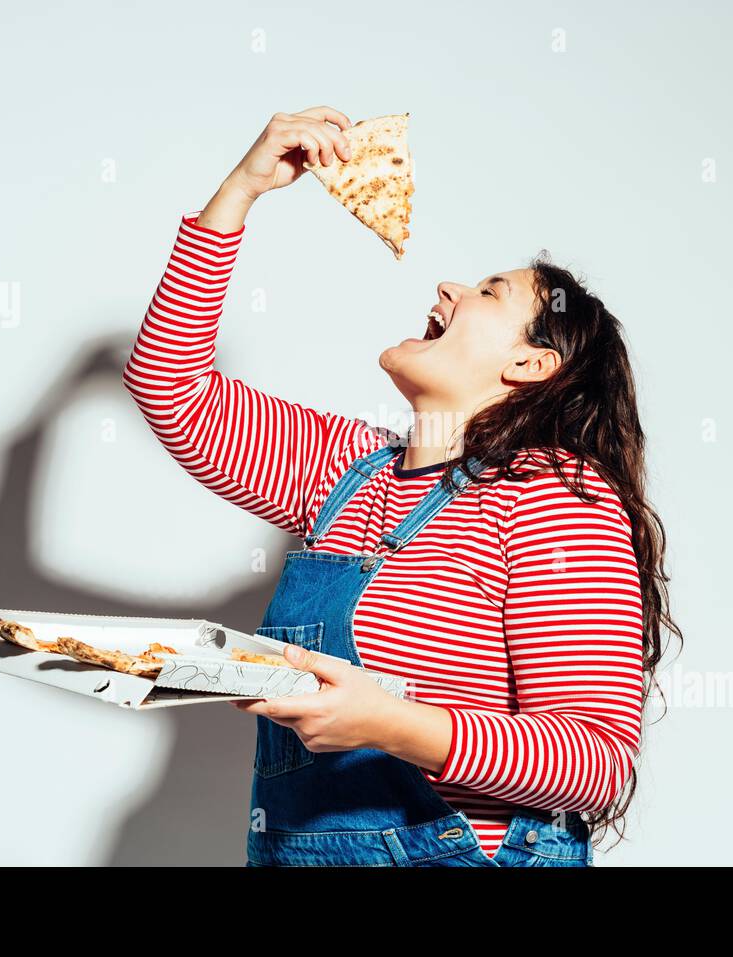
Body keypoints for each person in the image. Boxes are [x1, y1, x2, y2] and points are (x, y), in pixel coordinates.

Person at [123, 106, 681, 867]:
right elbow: (171, 386)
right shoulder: (345, 471)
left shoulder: (553, 495)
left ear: (529, 366)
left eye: (488, 292)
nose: (448, 285)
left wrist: (391, 723)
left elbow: (596, 760)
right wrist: (243, 188)